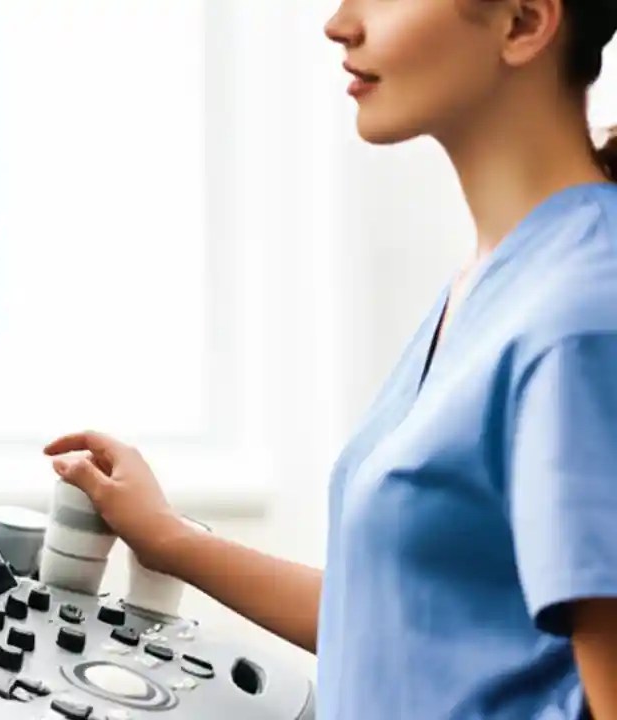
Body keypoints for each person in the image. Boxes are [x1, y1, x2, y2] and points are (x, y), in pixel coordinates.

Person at [45, 1, 617, 718]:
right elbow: (401, 629)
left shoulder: (581, 313)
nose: (340, 23)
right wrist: (168, 540)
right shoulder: (498, 278)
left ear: (523, 22)